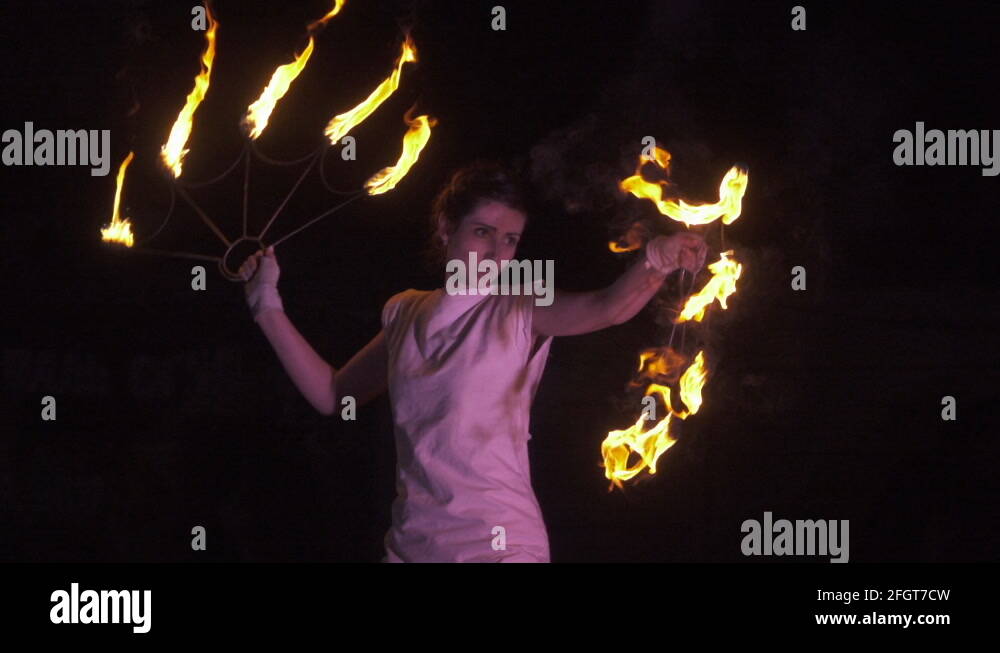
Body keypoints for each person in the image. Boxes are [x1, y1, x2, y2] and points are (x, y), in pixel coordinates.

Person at [239, 160, 707, 562]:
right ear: (447, 229)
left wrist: (655, 262)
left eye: (509, 240)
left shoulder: (520, 308)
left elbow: (606, 307)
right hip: (411, 546)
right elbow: (333, 395)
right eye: (483, 232)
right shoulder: (404, 310)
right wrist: (266, 305)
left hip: (498, 546)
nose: (496, 251)